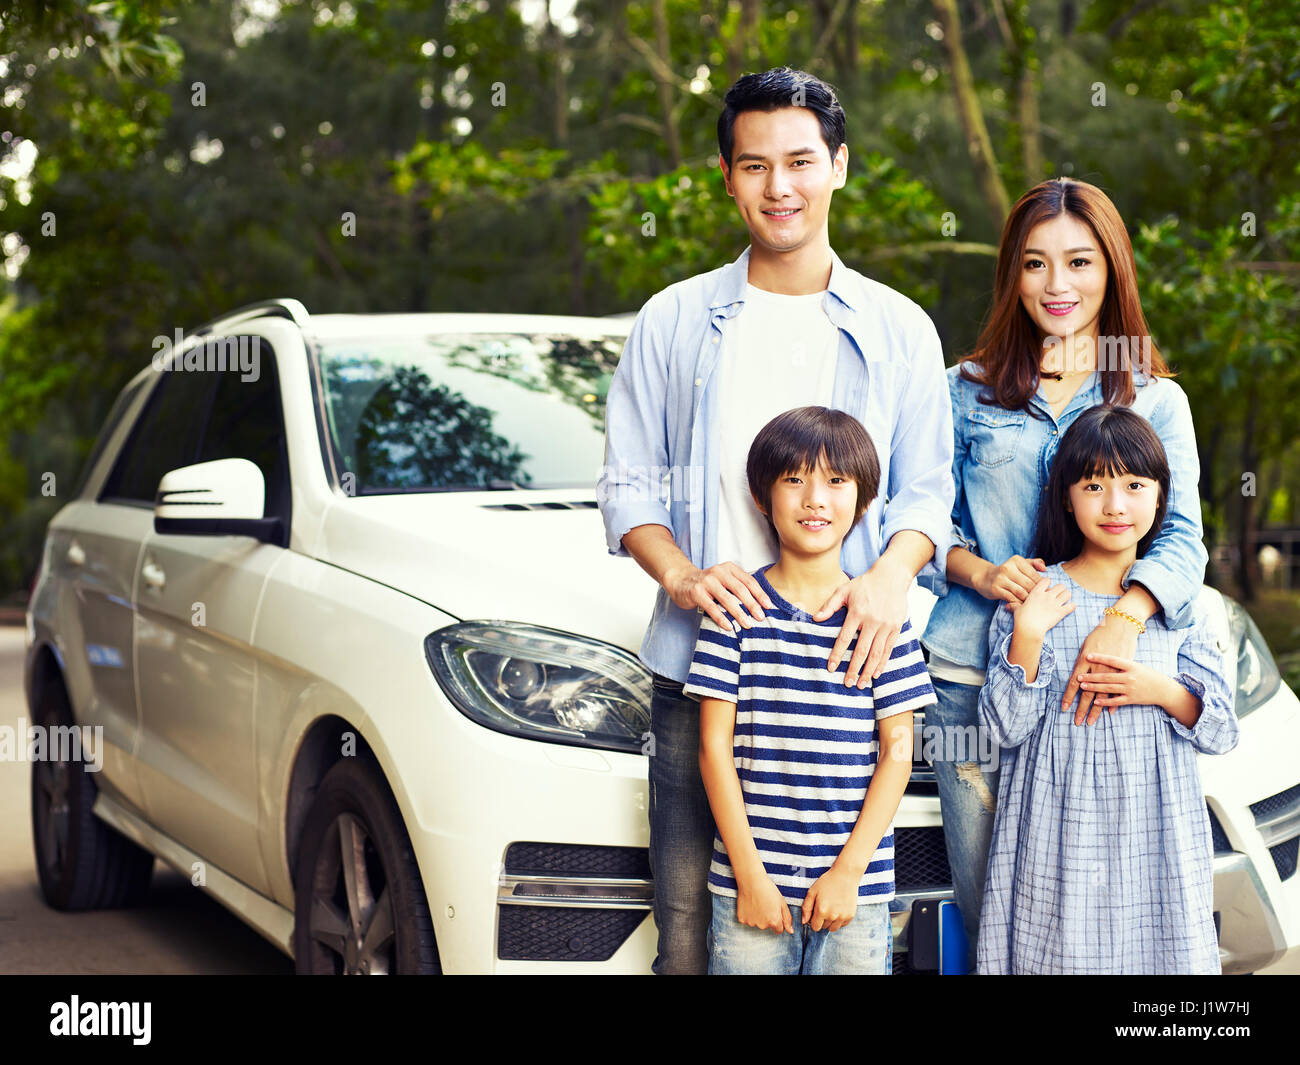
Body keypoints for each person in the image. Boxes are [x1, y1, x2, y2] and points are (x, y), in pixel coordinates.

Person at [597, 67, 954, 974]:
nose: (779, 186)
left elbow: (924, 494)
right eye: (754, 166)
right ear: (727, 176)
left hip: (846, 678)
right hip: (704, 670)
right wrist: (679, 575)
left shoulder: (900, 327)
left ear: (839, 165)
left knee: (850, 928)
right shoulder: (674, 321)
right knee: (695, 931)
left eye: (800, 161)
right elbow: (629, 486)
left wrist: (888, 577)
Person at [918, 178, 1209, 969]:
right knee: (999, 917)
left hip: (1105, 682)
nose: (1058, 285)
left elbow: (1184, 540)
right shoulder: (965, 390)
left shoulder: (1155, 400)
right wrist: (980, 573)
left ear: (1111, 268)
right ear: (1012, 273)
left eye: (1079, 261)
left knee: (1113, 910)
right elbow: (914, 526)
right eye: (1036, 264)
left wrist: (1125, 617)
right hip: (974, 680)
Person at [975, 406, 1237, 973]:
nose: (1115, 505)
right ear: (1067, 497)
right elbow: (1000, 729)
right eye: (1093, 485)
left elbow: (1220, 729)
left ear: (1161, 497)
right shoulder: (1037, 592)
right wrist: (1027, 633)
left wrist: (1158, 689)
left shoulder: (1179, 603)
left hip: (1156, 824)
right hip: (1057, 826)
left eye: (1134, 485)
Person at [683, 406, 934, 974]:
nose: (814, 498)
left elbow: (897, 753)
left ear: (863, 500)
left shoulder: (883, 619)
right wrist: (748, 875)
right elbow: (712, 749)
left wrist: (848, 874)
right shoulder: (734, 610)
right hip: (749, 886)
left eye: (835, 482)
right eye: (794, 480)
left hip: (856, 894)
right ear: (761, 497)